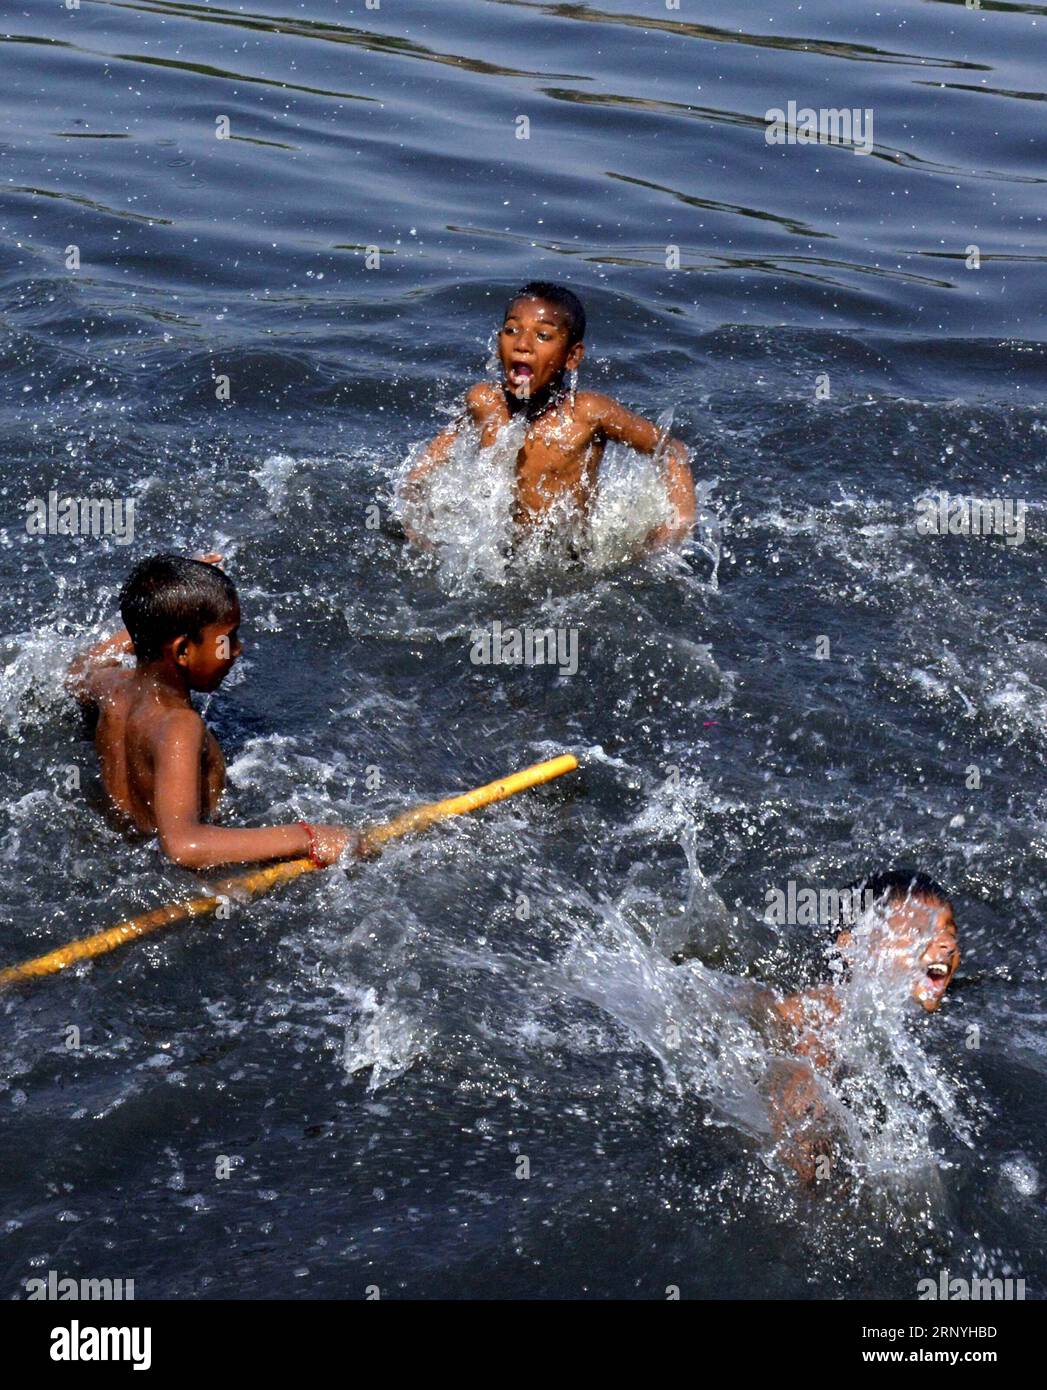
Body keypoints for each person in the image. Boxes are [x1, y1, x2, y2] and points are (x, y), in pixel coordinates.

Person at [67, 553, 356, 871]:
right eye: (227, 639)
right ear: (182, 651)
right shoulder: (179, 727)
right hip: (189, 882)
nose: (237, 649)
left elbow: (78, 671)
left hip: (126, 855)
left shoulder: (112, 687)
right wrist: (309, 837)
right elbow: (183, 847)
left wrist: (162, 610)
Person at [402, 281, 697, 550]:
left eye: (543, 335)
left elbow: (671, 450)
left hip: (570, 557)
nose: (523, 344)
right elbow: (424, 470)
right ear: (497, 342)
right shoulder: (485, 403)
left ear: (572, 357)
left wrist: (677, 522)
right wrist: (417, 518)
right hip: (494, 551)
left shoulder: (587, 414)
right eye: (512, 330)